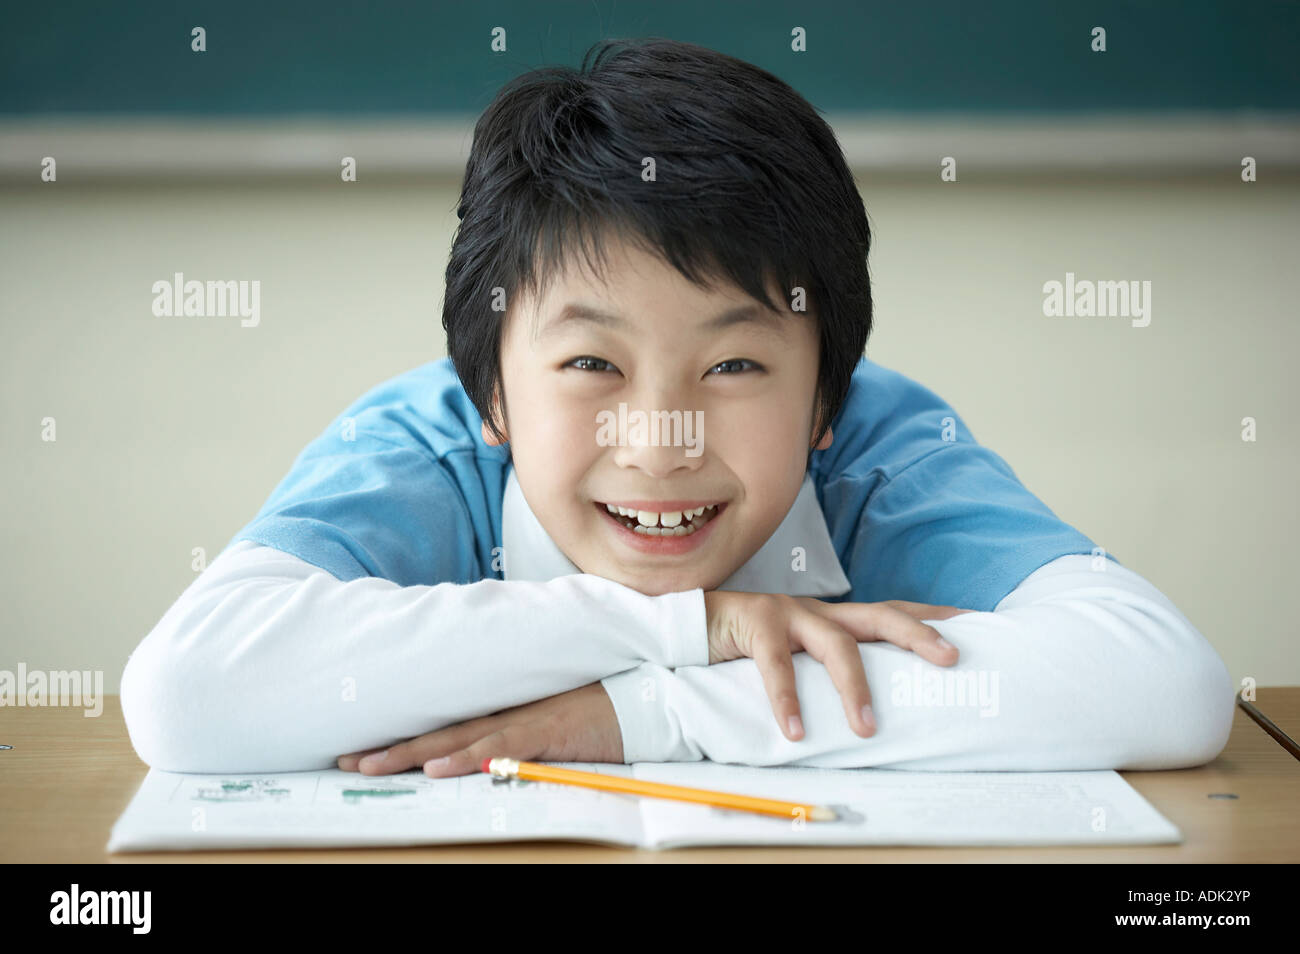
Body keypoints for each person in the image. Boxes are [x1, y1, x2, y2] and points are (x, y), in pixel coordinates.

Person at [120, 38, 1233, 776]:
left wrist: (640, 717)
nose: (658, 441)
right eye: (591, 367)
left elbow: (1160, 685)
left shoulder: (885, 448)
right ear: (490, 390)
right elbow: (186, 696)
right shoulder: (423, 442)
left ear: (824, 400)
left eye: (736, 367)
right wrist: (693, 627)